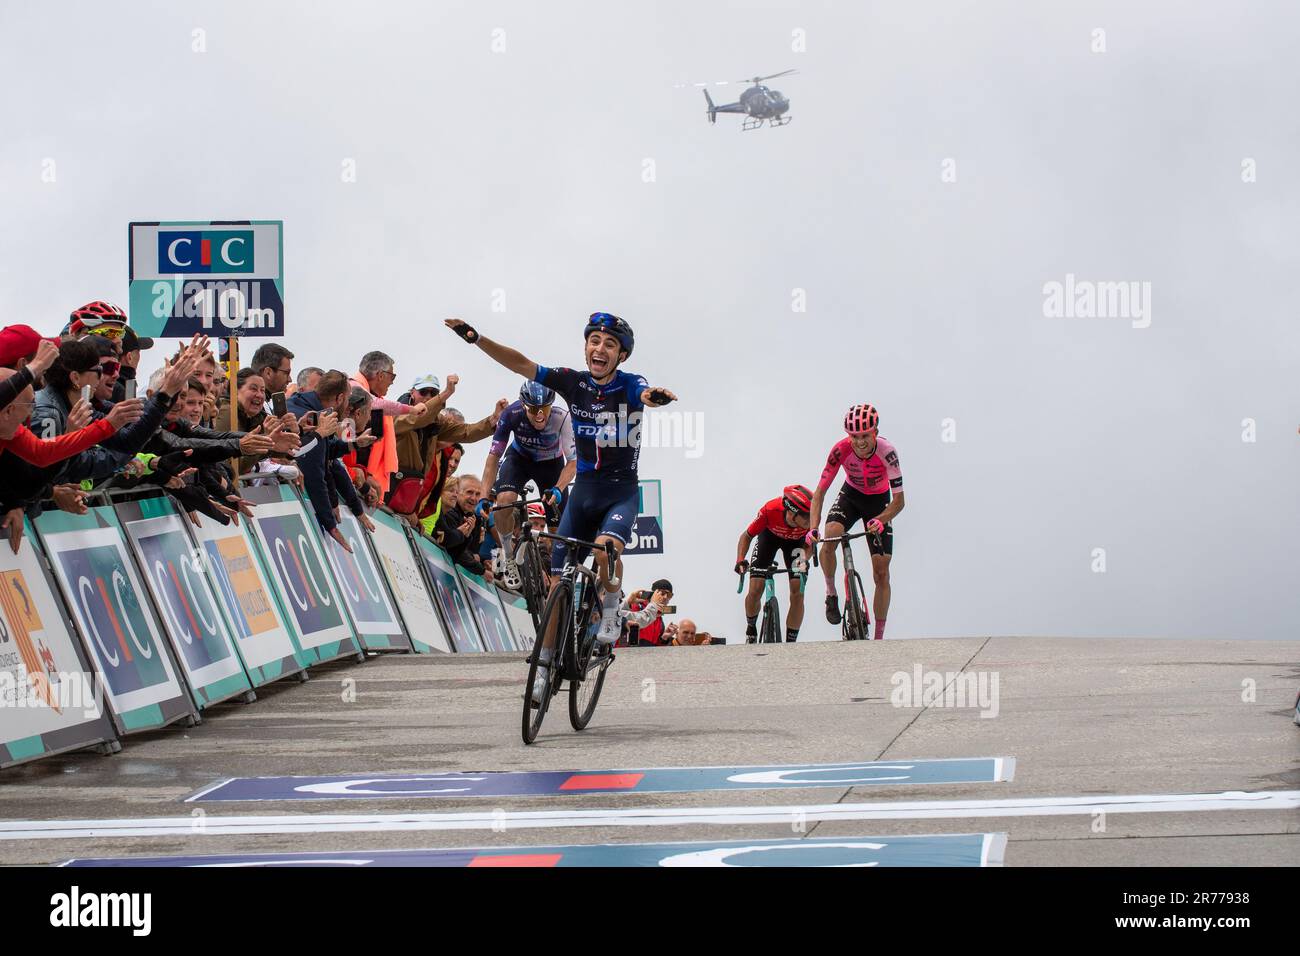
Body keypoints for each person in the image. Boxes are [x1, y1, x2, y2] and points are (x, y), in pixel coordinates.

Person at [446, 312, 677, 705]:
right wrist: (476, 338)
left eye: (609, 344)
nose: (599, 348)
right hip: (584, 492)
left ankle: (608, 607)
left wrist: (654, 398)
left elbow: (643, 394)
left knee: (606, 549)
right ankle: (544, 665)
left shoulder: (629, 383)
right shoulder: (573, 382)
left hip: (619, 493)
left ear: (621, 356)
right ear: (586, 346)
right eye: (594, 341)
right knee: (556, 585)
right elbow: (521, 363)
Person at [807, 404, 905, 640]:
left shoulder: (887, 452)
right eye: (854, 437)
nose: (860, 442)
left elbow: (899, 501)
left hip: (879, 503)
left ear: (875, 432)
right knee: (830, 535)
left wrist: (881, 520)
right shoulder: (840, 450)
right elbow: (819, 493)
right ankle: (831, 592)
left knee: (881, 573)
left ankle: (878, 637)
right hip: (851, 496)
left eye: (865, 436)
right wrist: (812, 528)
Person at [479, 379, 576, 589]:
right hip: (519, 459)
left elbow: (573, 462)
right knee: (504, 501)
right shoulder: (511, 414)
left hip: (551, 464)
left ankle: (557, 577)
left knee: (557, 530)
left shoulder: (562, 418)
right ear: (524, 405)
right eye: (533, 409)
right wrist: (483, 496)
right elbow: (493, 458)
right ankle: (508, 556)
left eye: (544, 408)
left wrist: (559, 488)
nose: (539, 414)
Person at [735, 484, 813, 643]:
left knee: (798, 591)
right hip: (768, 539)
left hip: (796, 544)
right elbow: (746, 536)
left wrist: (804, 559)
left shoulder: (810, 520)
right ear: (791, 513)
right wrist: (740, 559)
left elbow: (810, 544)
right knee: (756, 588)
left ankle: (791, 641)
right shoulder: (770, 510)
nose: (809, 520)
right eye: (805, 516)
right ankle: (751, 627)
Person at [623, 579, 673, 647]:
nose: (665, 597)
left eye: (669, 595)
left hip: (648, 656)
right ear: (653, 594)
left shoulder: (659, 620)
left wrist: (663, 639)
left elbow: (655, 647)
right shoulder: (636, 607)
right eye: (662, 593)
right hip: (630, 654)